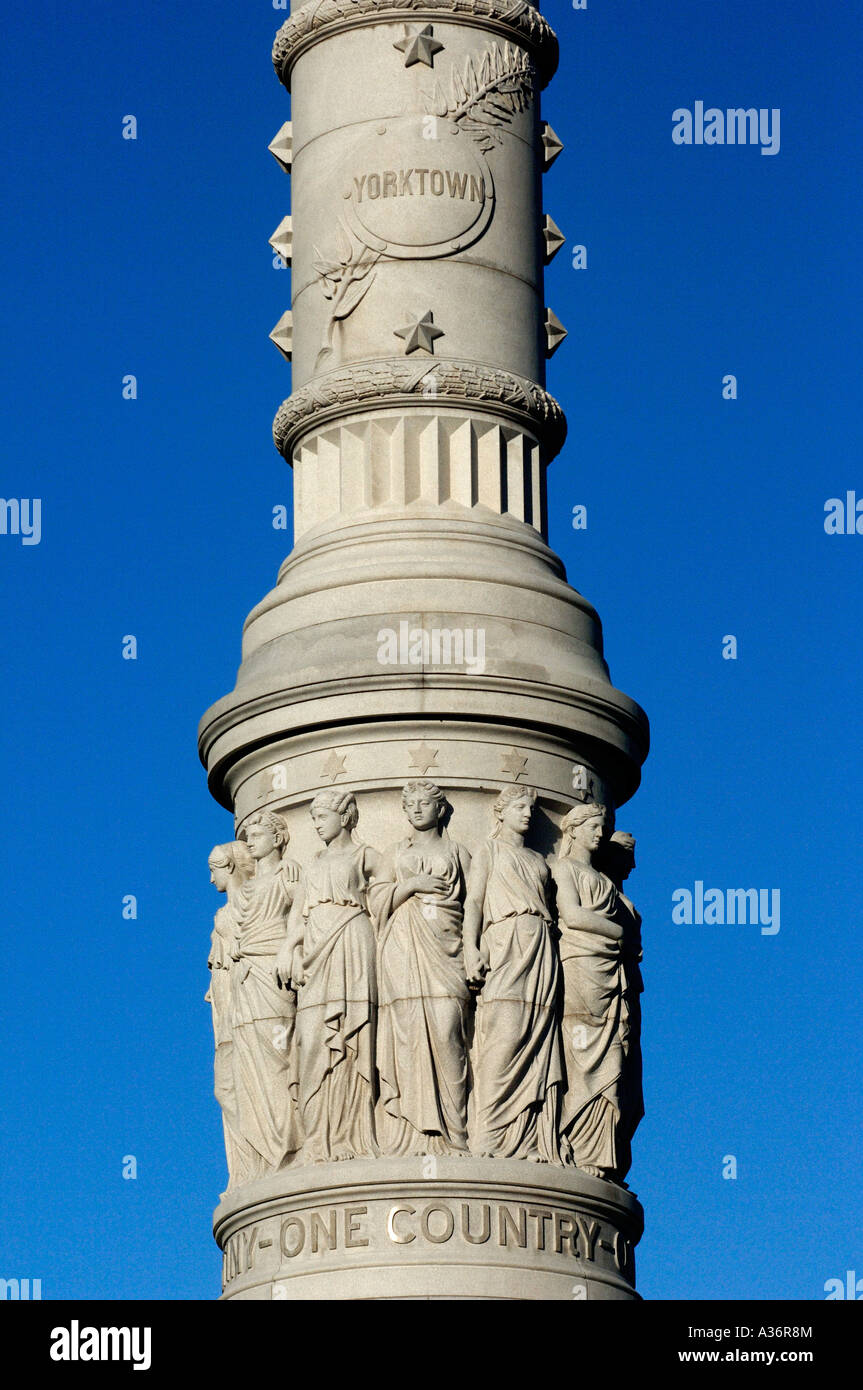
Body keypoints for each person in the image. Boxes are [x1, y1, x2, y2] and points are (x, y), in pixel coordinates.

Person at [369, 781, 472, 1155]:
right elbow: (377, 898)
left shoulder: (458, 852)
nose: (415, 810)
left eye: (423, 803)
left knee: (448, 1031)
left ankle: (455, 1130)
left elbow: (477, 902)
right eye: (409, 804)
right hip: (403, 947)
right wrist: (412, 885)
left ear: (440, 809)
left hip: (447, 946)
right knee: (409, 1032)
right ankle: (411, 1131)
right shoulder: (395, 853)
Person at [276, 791, 379, 1162]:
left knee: (353, 1036)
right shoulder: (312, 863)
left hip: (352, 940)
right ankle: (317, 1138)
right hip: (317, 949)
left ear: (346, 816)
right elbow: (298, 916)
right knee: (312, 1039)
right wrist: (289, 949)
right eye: (314, 816)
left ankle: (351, 1135)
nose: (317, 823)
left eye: (323, 815)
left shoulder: (365, 855)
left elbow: (387, 893)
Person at [463, 786, 563, 1162]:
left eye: (531, 808)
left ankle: (527, 1137)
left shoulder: (538, 860)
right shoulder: (490, 851)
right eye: (519, 807)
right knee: (503, 1036)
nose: (527, 814)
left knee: (537, 1038)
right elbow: (474, 901)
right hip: (505, 941)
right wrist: (470, 947)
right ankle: (487, 1133)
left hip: (541, 943)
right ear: (500, 812)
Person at [552, 803, 637, 1181]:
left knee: (615, 1061)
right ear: (572, 829)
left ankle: (601, 1151)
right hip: (582, 965)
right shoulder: (564, 869)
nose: (599, 833)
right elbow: (571, 917)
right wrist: (618, 933)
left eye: (604, 827)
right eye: (593, 826)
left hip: (611, 975)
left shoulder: (603, 882)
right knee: (582, 1051)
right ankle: (575, 1137)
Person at [231, 810, 302, 1176]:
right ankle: (264, 1154)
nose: (250, 841)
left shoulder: (289, 876)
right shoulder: (247, 886)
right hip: (246, 977)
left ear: (277, 839)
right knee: (252, 1067)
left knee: (279, 1058)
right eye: (248, 836)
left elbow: (302, 918)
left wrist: (290, 951)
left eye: (257, 835)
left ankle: (289, 1145)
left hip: (272, 973)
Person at [207, 840, 255, 1188]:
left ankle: (257, 1161)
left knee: (238, 1083)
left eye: (215, 870)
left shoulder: (250, 903)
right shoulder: (223, 912)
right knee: (226, 1087)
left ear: (232, 866)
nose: (211, 880)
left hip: (250, 999)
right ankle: (247, 1168)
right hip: (229, 1002)